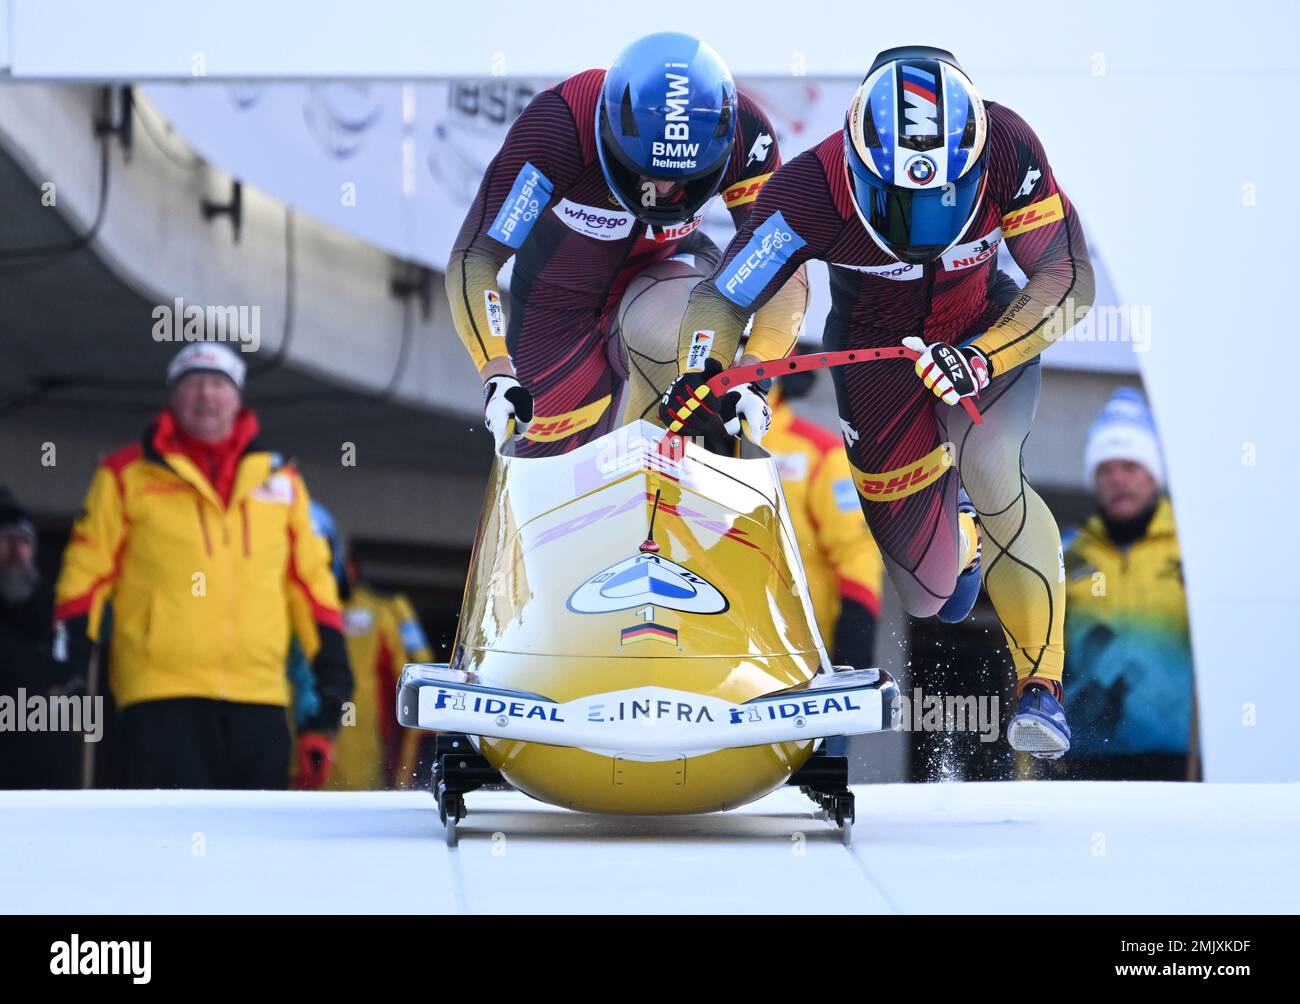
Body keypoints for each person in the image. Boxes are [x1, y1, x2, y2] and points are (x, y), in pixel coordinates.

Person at [662, 46, 1095, 758]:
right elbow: (723, 295)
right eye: (899, 199)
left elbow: (1067, 279)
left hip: (984, 333)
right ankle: (961, 532)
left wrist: (987, 354)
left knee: (992, 467)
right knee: (931, 596)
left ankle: (1041, 686)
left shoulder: (1008, 146)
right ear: (859, 168)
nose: (922, 223)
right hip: (878, 369)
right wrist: (700, 371)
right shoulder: (808, 190)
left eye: (942, 198)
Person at [445, 31, 809, 455]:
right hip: (555, 308)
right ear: (608, 132)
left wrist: (752, 375)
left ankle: (658, 472)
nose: (663, 189)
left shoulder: (747, 136)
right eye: (646, 171)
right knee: (549, 465)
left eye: (685, 180)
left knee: (686, 352)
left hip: (665, 275)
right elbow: (476, 257)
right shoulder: (560, 126)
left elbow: (783, 269)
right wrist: (497, 371)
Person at [53, 344, 352, 789]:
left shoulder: (282, 481)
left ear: (238, 399)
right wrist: (70, 663)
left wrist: (332, 672)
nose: (206, 396)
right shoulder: (125, 475)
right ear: (172, 399)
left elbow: (311, 584)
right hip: (160, 695)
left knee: (256, 848)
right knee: (168, 847)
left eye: (218, 385)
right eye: (192, 384)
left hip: (261, 698)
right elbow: (86, 572)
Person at [1050, 389, 1197, 779]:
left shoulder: (1194, 553)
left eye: (1131, 466)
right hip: (1085, 763)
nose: (1118, 479)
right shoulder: (1065, 553)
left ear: (1155, 475)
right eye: (1106, 468)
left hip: (1181, 762)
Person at [764, 372, 883, 669]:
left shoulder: (820, 452)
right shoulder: (680, 447)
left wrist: (855, 635)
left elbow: (856, 552)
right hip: (703, 646)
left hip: (799, 654)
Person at [0, 493, 78, 788]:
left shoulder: (56, 620)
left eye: (23, 542)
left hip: (45, 787)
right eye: (5, 540)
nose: (15, 551)